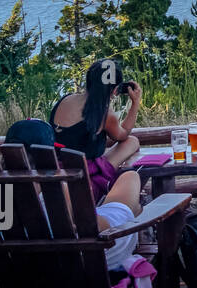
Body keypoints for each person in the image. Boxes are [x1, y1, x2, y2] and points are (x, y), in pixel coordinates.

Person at [50, 58, 141, 203]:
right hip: (85, 178)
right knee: (132, 141)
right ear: (116, 90)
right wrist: (135, 103)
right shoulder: (104, 114)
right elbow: (123, 134)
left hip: (59, 171)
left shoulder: (65, 100)